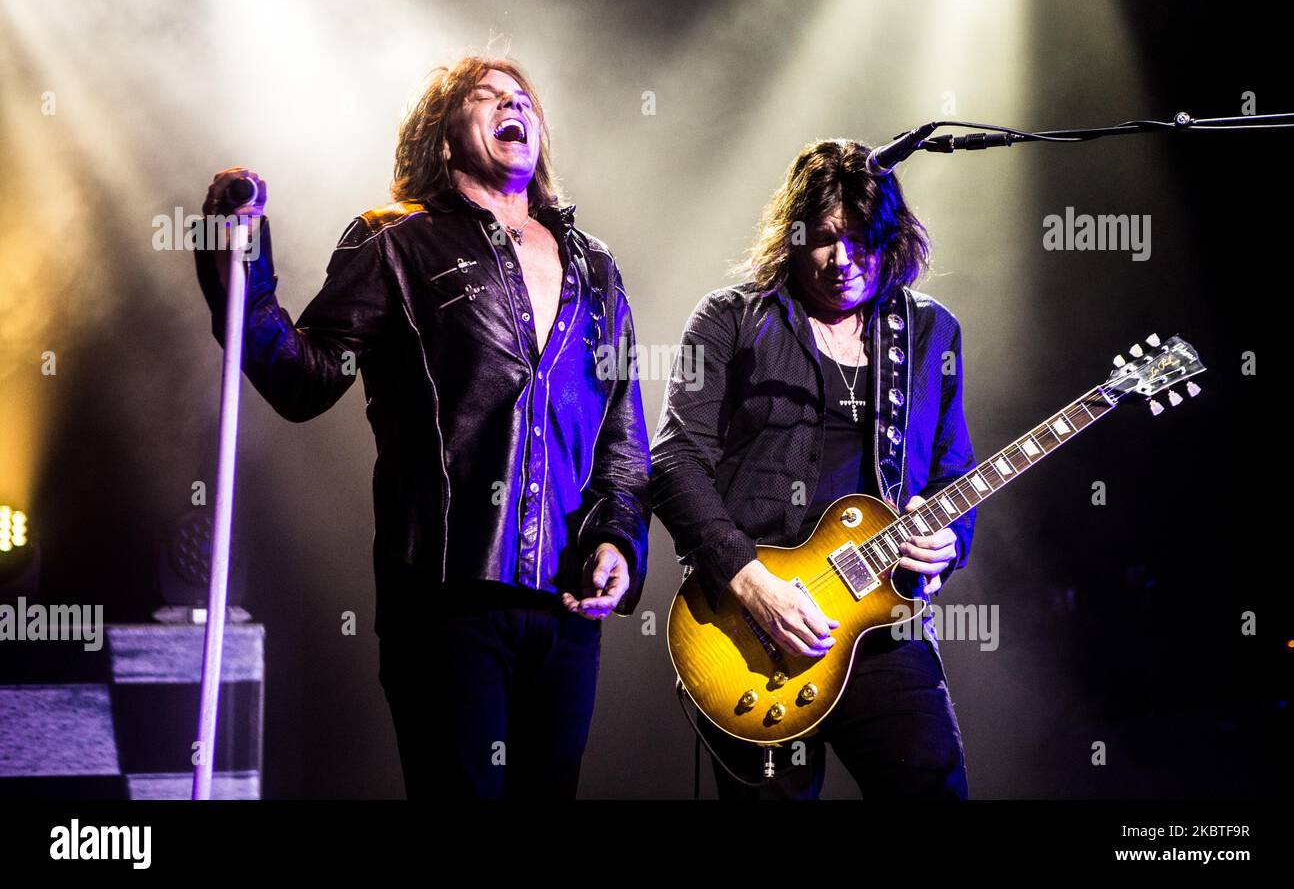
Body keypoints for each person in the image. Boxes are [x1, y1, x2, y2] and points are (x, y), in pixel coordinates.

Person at [193, 56, 651, 799]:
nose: (513, 105)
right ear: (443, 138)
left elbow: (621, 438)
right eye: (487, 95)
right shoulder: (396, 245)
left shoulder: (595, 267)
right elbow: (302, 379)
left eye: (523, 98)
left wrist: (616, 541)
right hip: (444, 600)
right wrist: (242, 263)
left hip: (567, 612)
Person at [650, 138, 975, 798]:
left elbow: (952, 475)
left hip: (883, 627)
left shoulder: (931, 332)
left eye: (860, 240)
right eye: (823, 239)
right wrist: (748, 581)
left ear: (891, 240)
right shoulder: (730, 320)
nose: (842, 260)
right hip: (750, 628)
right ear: (792, 238)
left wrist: (948, 540)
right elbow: (674, 459)